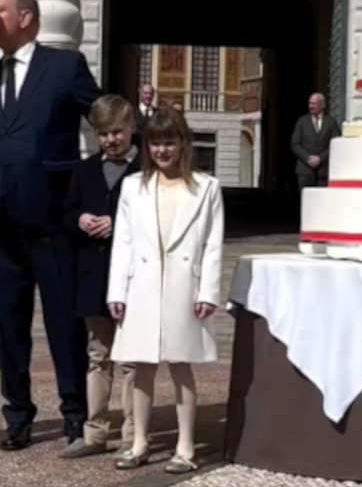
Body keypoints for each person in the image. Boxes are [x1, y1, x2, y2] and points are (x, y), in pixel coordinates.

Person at [0, 0, 100, 453]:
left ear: (25, 16)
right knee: (7, 325)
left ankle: (75, 413)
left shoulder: (64, 68)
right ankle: (18, 414)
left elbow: (104, 115)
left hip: (52, 219)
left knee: (63, 323)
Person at [106, 107, 225, 474]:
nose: (162, 150)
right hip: (141, 286)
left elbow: (212, 244)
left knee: (180, 365)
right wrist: (117, 292)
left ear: (183, 143)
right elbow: (122, 243)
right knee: (140, 366)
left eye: (169, 142)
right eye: (155, 143)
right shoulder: (133, 186)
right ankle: (139, 440)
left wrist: (208, 292)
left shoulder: (207, 188)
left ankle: (185, 446)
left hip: (182, 287)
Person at [59, 95, 141, 458]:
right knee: (98, 354)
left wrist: (121, 224)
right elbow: (66, 213)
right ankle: (94, 432)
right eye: (103, 134)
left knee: (131, 359)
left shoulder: (148, 169)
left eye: (117, 132)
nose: (110, 140)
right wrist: (79, 220)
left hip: (134, 278)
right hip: (94, 276)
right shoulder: (85, 170)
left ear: (132, 129)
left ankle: (132, 432)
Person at [290, 93, 341, 191]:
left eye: (314, 104)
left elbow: (335, 145)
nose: (311, 106)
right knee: (305, 202)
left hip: (323, 172)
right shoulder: (301, 122)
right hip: (305, 171)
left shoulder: (331, 123)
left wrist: (320, 158)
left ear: (322, 105)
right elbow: (294, 144)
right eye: (310, 103)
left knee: (322, 202)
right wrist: (308, 158)